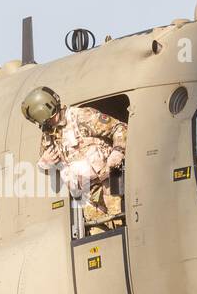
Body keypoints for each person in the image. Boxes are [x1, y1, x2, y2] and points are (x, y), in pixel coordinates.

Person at [21, 86, 126, 228]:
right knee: (98, 234)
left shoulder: (80, 116)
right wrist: (44, 164)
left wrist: (118, 151)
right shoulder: (48, 137)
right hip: (87, 196)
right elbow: (50, 167)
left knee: (120, 225)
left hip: (108, 184)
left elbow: (119, 127)